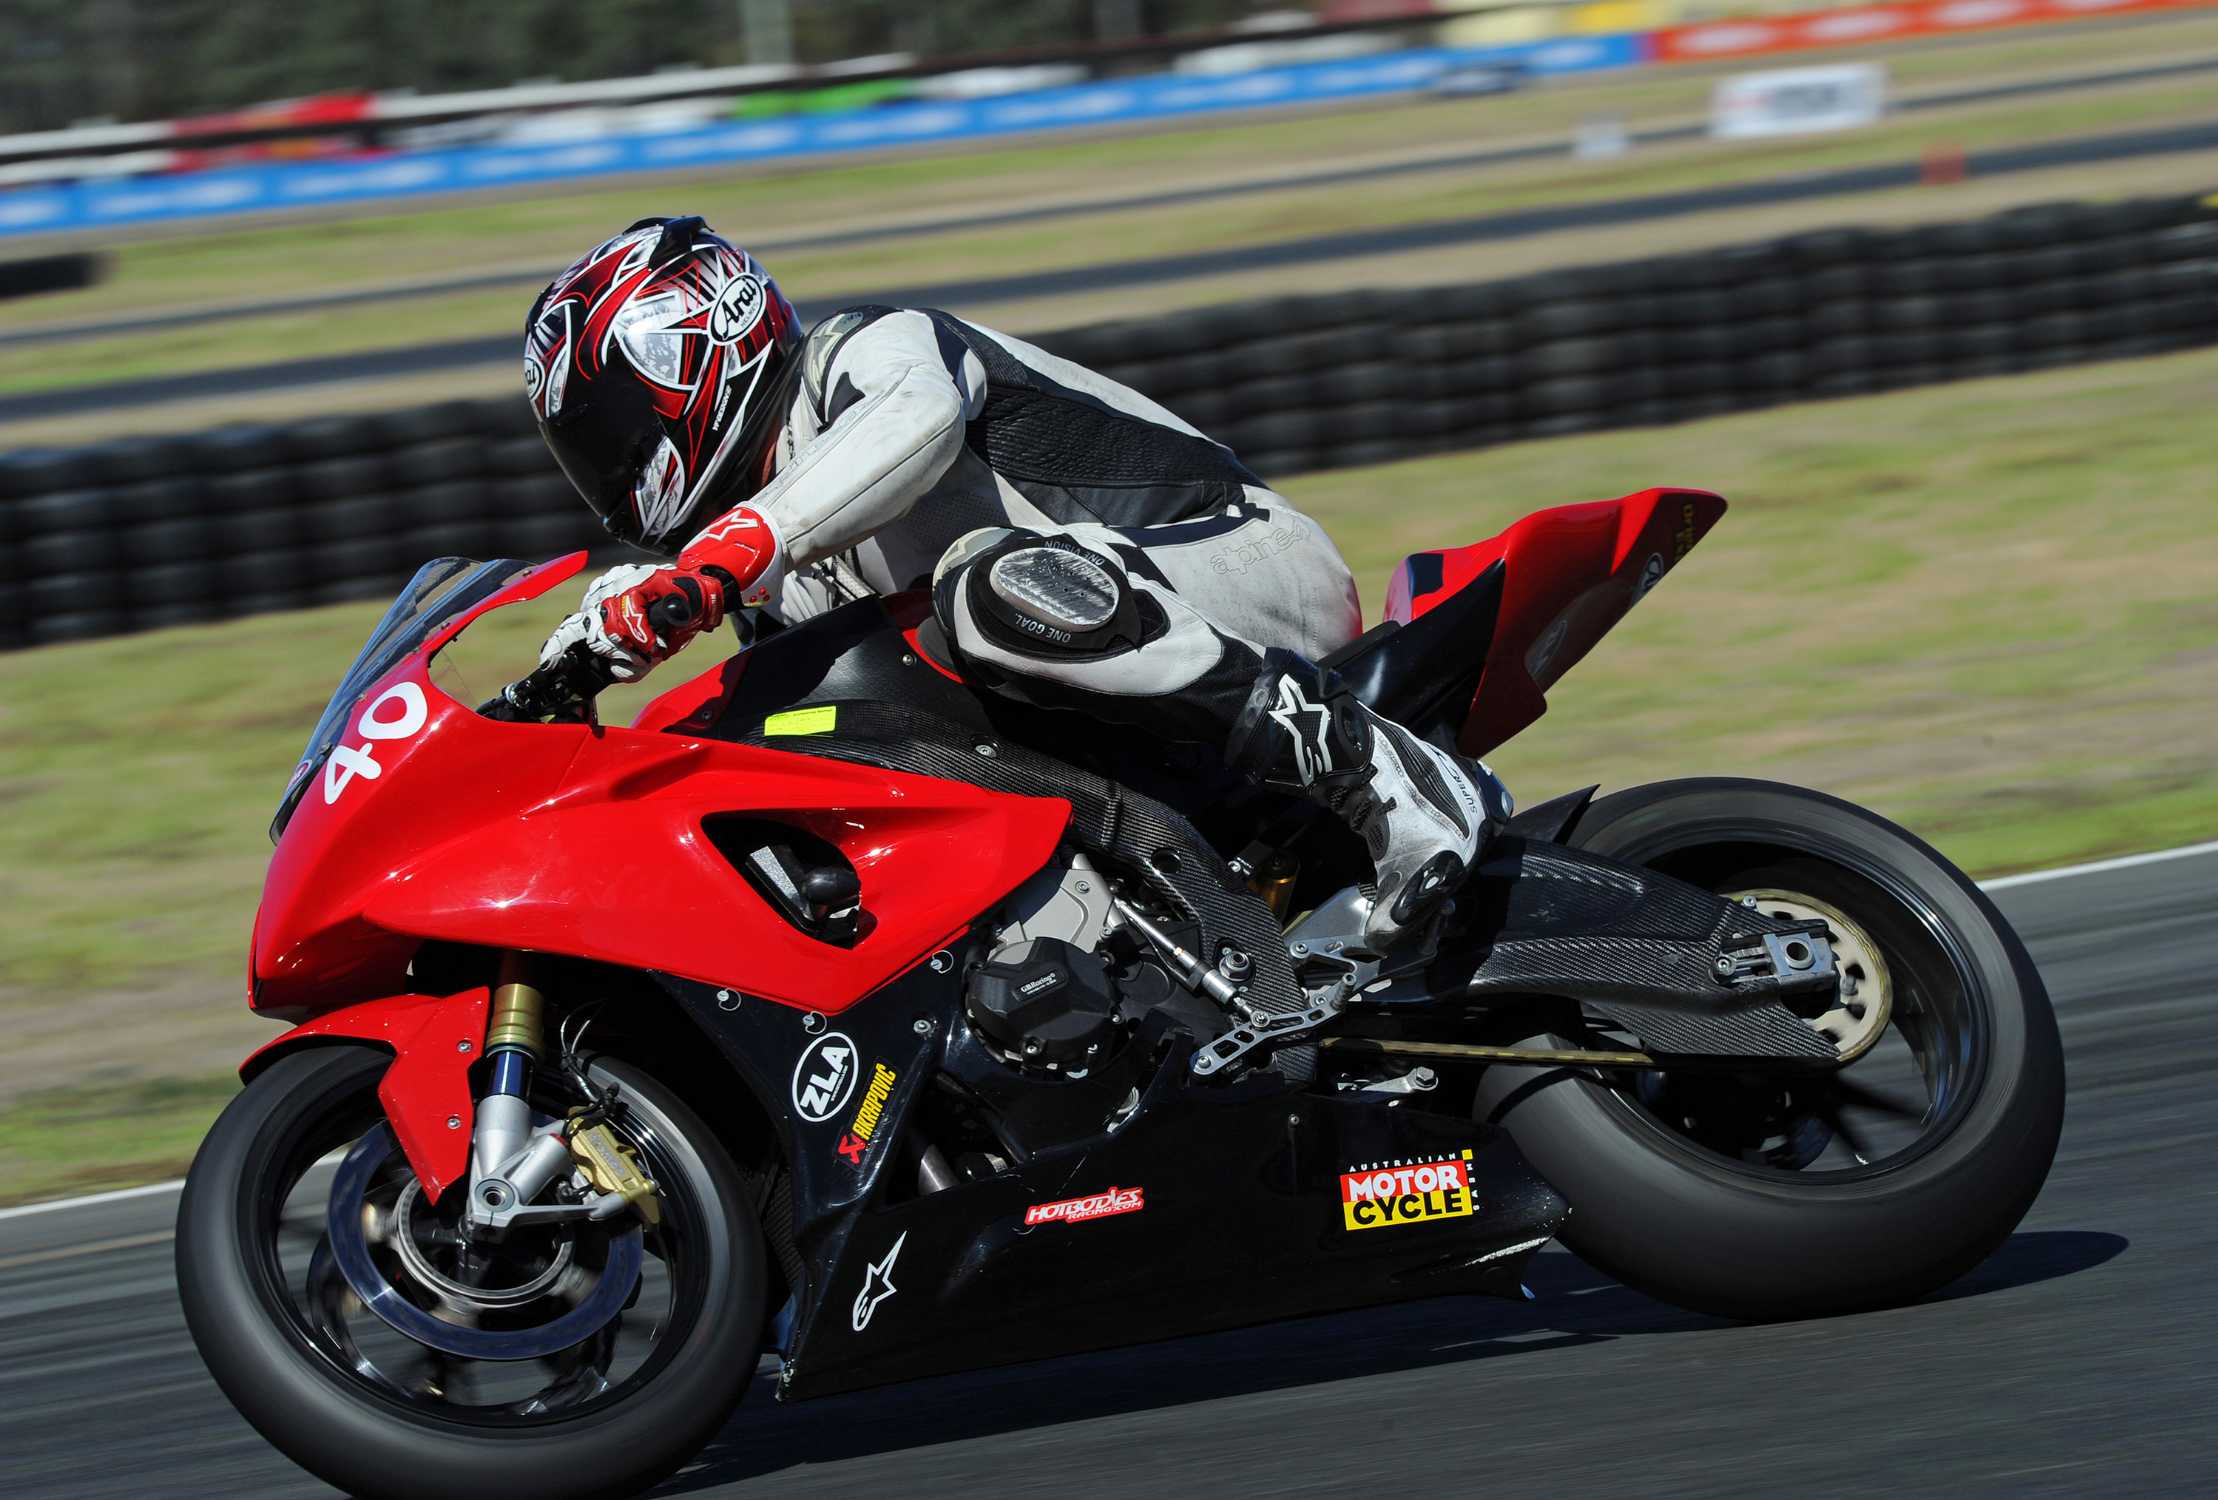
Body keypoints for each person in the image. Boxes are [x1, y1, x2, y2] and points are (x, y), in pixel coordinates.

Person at [525, 215, 1509, 947]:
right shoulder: (770, 588)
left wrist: (723, 558)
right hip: (1112, 699)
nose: (610, 467)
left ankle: (1391, 777)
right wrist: (553, 692)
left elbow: (911, 426)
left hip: (1239, 569)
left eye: (611, 427)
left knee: (982, 586)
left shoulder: (866, 353)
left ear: (689, 344)